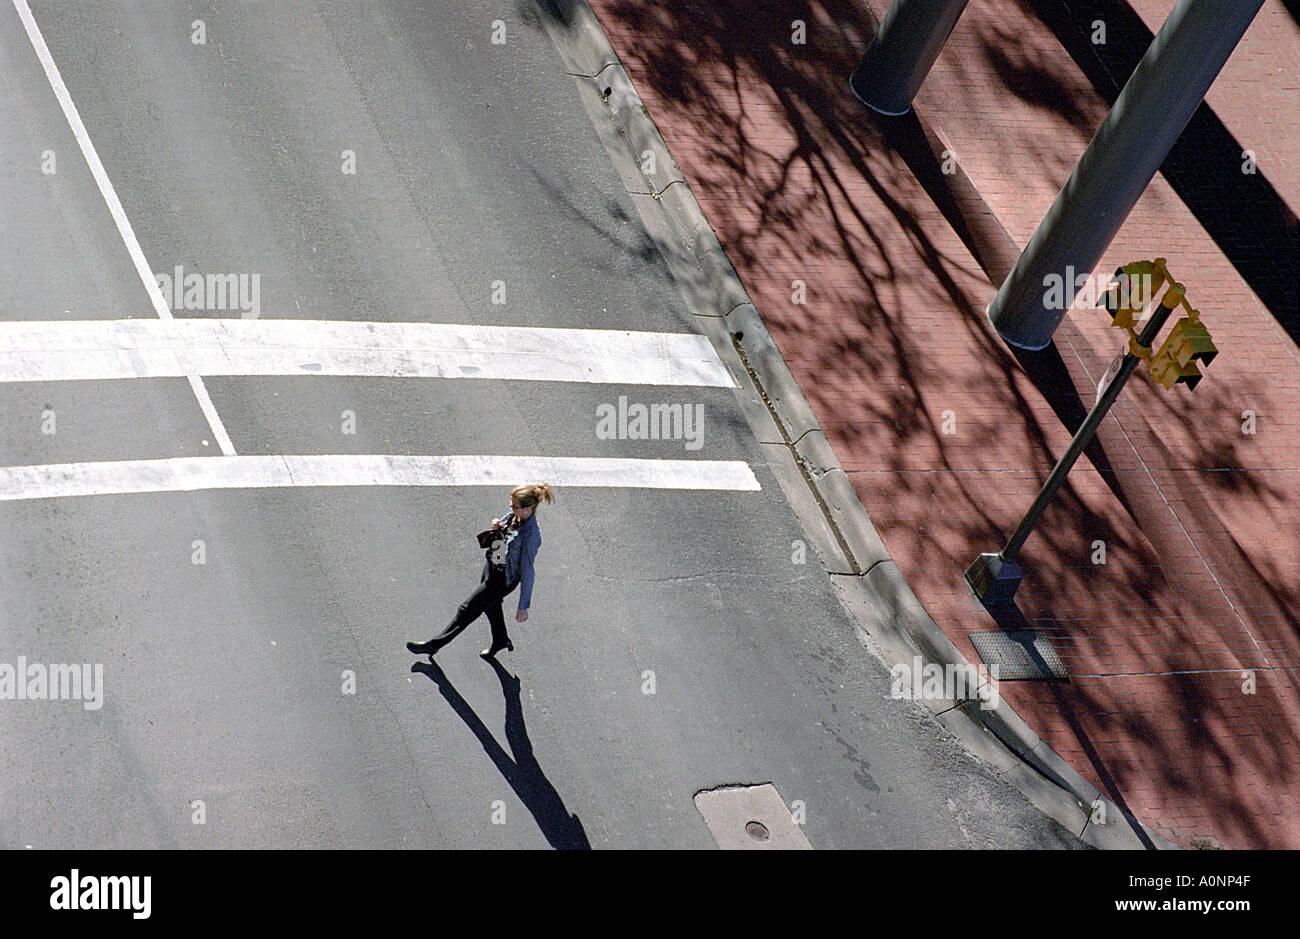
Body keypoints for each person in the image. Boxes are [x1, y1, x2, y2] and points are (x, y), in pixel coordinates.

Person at [407, 483, 554, 660]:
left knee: (467, 610)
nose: (510, 507)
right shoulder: (515, 516)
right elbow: (503, 539)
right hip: (493, 564)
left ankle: (434, 645)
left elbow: (528, 570)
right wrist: (496, 528)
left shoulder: (531, 535)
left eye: (514, 505)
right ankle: (500, 640)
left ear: (527, 509)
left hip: (501, 580)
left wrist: (523, 606)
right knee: (491, 606)